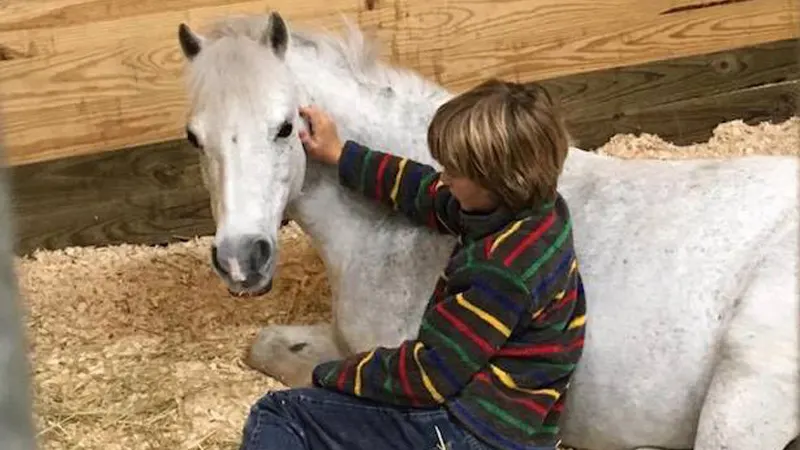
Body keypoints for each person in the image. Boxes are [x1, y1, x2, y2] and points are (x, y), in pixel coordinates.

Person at [239, 78, 587, 450]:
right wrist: (343, 155)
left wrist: (331, 374)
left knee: (279, 413)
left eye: (455, 170)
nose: (445, 176)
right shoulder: (538, 212)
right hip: (518, 425)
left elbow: (429, 375)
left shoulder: (498, 271)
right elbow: (428, 193)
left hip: (466, 432)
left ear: (497, 181)